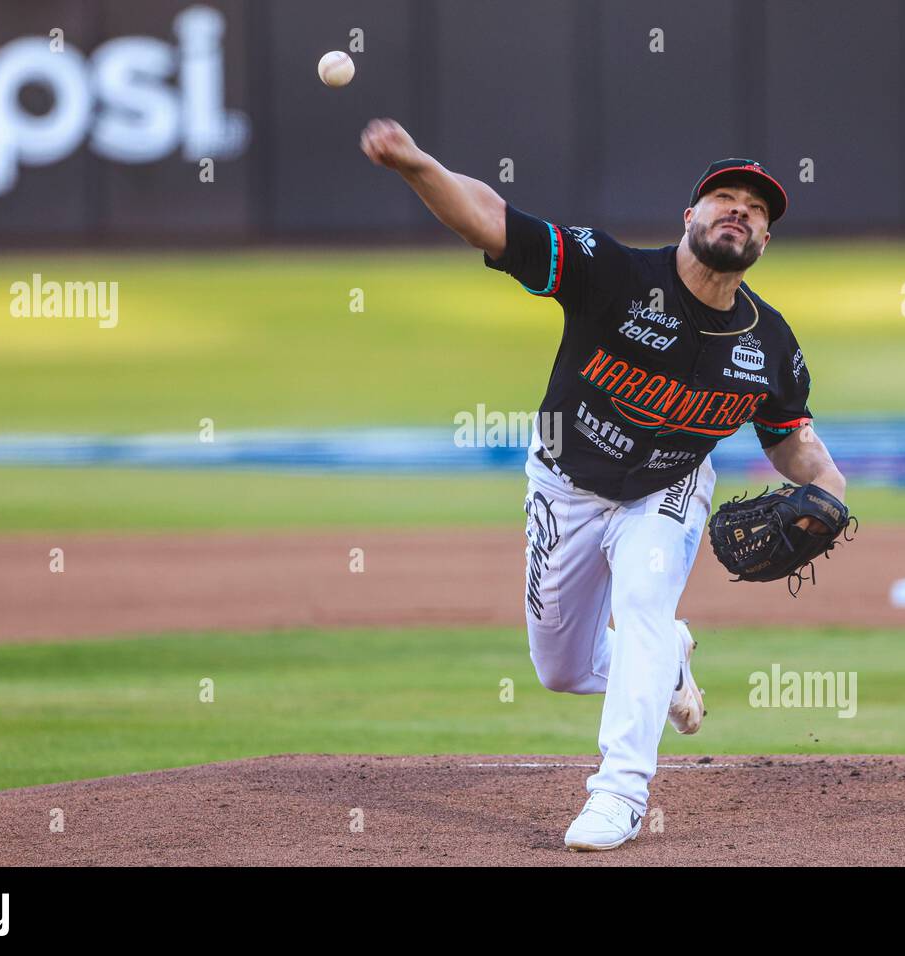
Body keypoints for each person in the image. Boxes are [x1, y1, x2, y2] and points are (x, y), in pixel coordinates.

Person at [360, 118, 847, 851]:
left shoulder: (769, 343)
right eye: (725, 199)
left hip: (669, 488)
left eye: (756, 209)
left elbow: (793, 441)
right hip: (563, 482)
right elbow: (492, 223)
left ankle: (618, 794)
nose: (739, 211)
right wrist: (415, 165)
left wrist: (831, 488)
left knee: (645, 599)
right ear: (691, 218)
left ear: (764, 241)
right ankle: (668, 657)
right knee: (562, 667)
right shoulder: (613, 272)